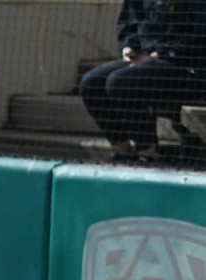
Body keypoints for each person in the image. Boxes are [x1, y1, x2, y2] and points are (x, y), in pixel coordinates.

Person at [80, 1, 206, 162]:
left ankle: (148, 154)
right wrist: (129, 47)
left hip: (188, 65)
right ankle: (122, 151)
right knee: (92, 83)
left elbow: (199, 38)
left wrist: (159, 54)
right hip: (147, 58)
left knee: (120, 81)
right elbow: (129, 23)